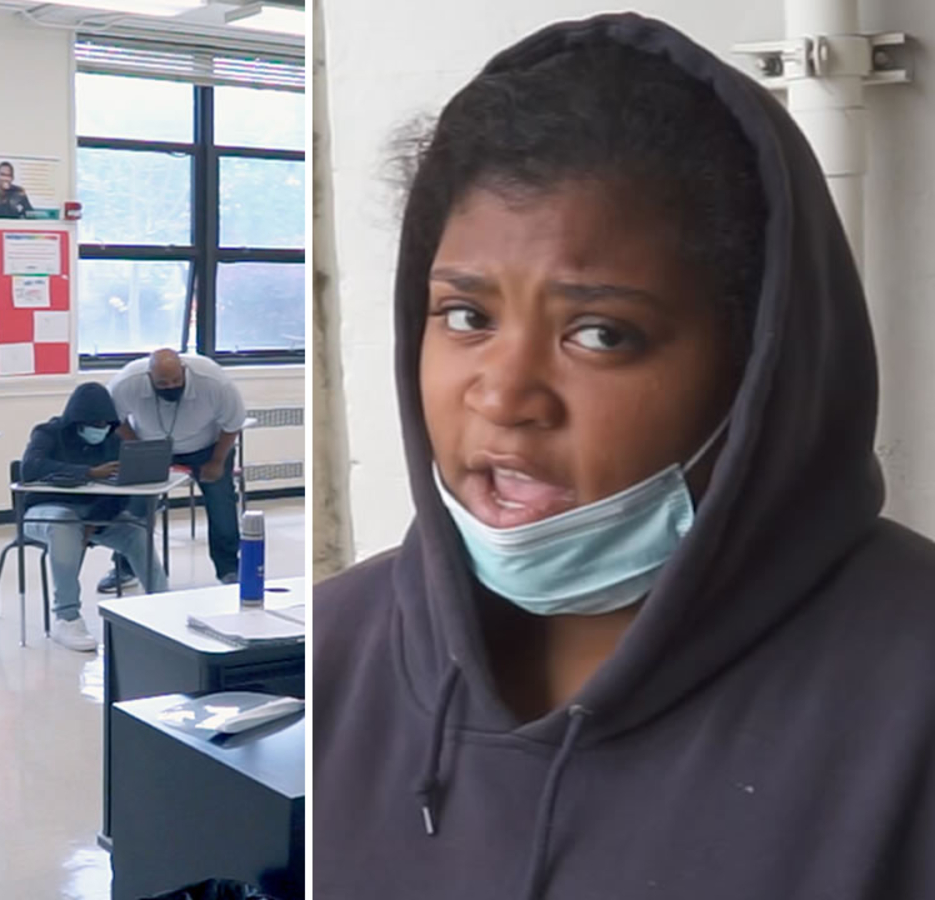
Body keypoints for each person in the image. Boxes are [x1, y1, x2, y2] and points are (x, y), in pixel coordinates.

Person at [314, 14, 935, 900]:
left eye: (601, 334)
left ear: (756, 367)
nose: (503, 396)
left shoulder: (911, 691)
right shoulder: (333, 652)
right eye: (465, 317)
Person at [21, 382, 167, 651]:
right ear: (77, 420)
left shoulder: (113, 441)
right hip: (44, 513)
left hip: (95, 516)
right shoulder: (48, 433)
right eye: (93, 422)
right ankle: (67, 617)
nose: (99, 428)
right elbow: (30, 468)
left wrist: (94, 520)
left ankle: (163, 607)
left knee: (136, 533)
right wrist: (88, 473)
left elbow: (122, 494)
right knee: (64, 524)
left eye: (105, 423)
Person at [102, 349, 247, 590]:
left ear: (184, 371)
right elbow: (114, 419)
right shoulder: (126, 383)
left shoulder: (213, 381)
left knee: (221, 502)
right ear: (149, 377)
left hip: (206, 447)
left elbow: (232, 424)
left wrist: (217, 462)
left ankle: (229, 568)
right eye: (163, 383)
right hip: (150, 445)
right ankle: (125, 567)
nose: (170, 386)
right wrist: (137, 448)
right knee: (135, 506)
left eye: (176, 381)